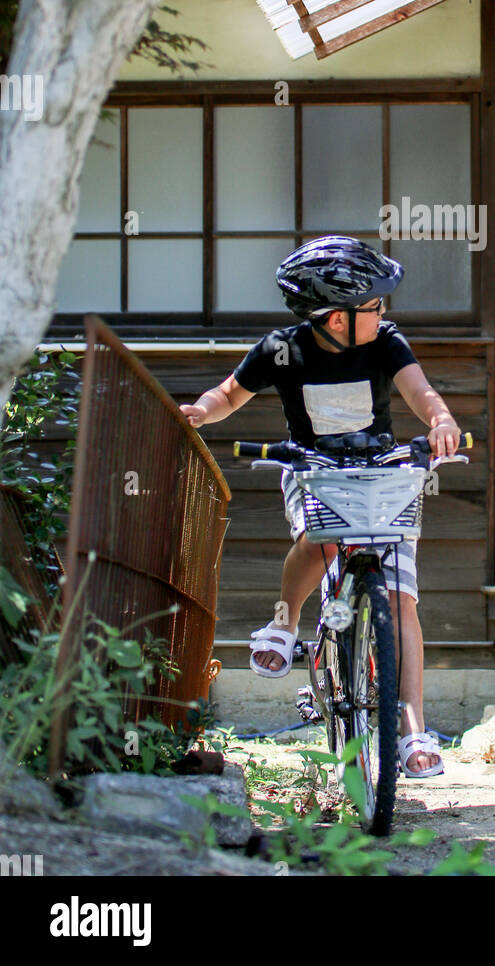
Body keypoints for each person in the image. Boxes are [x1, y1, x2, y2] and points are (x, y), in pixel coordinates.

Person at [180, 236, 462, 778]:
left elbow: (422, 393)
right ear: (337, 318)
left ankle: (412, 732)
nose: (384, 313)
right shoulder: (281, 349)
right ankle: (285, 624)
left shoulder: (386, 342)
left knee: (401, 602)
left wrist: (442, 422)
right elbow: (228, 394)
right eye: (374, 305)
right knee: (321, 535)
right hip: (312, 470)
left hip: (381, 471)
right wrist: (200, 411)